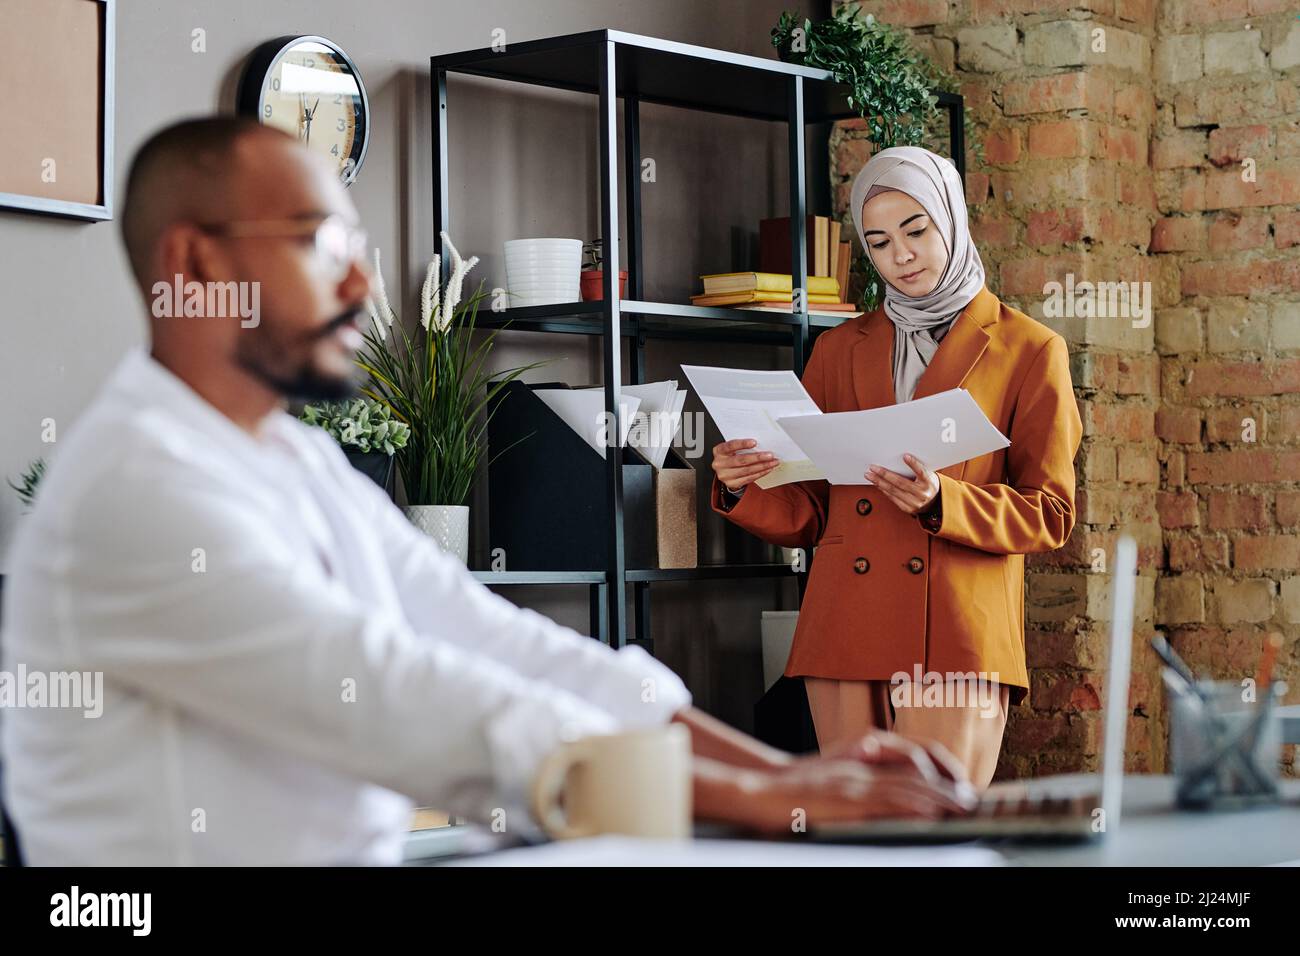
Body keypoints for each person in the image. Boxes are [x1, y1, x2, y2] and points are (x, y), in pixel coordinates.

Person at [0, 119, 974, 865]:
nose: (361, 285)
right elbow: (406, 698)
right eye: (321, 243)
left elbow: (488, 636)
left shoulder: (289, 459)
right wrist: (771, 802)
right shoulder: (138, 490)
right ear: (195, 263)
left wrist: (788, 774)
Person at [710, 145, 1083, 789]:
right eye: (879, 243)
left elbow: (1049, 513)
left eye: (916, 231)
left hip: (957, 638)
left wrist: (943, 501)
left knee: (933, 826)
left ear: (952, 222)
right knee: (853, 831)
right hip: (844, 631)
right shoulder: (838, 348)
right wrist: (745, 484)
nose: (901, 256)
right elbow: (813, 509)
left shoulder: (1029, 349)